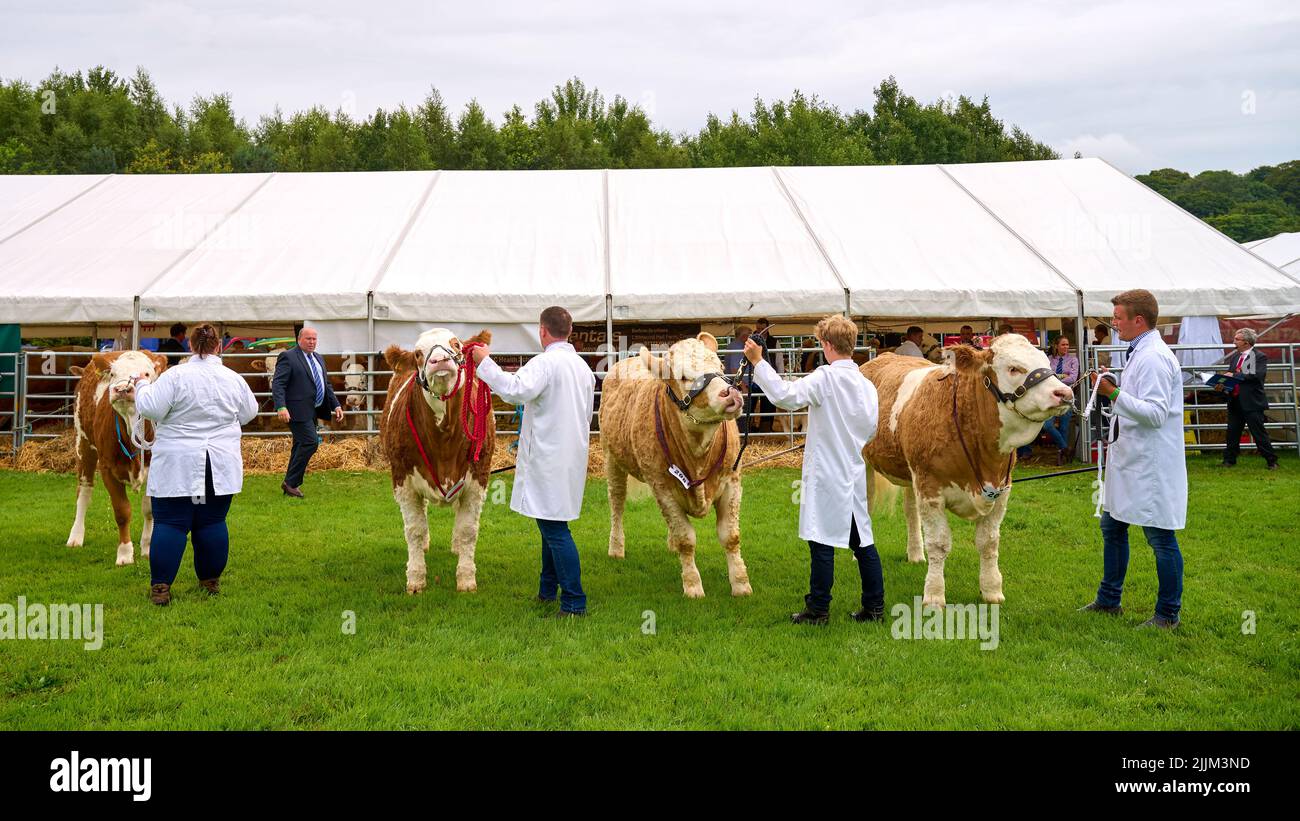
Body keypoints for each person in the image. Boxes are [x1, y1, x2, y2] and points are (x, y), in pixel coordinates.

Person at [745, 314, 883, 626]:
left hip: (826, 473)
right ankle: (874, 607)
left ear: (826, 344)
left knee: (821, 538)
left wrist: (758, 361)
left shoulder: (825, 377)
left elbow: (784, 395)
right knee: (862, 540)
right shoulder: (866, 386)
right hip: (853, 469)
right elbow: (871, 429)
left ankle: (818, 609)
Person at [472, 306, 595, 617]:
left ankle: (573, 601)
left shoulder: (546, 364)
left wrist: (483, 361)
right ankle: (546, 589)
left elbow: (514, 390)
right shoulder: (582, 368)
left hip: (549, 457)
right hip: (569, 456)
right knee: (551, 520)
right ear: (569, 331)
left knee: (554, 528)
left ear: (542, 330)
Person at [129, 323, 259, 605]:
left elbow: (151, 408)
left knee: (171, 524)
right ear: (218, 346)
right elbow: (250, 412)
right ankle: (210, 582)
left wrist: (140, 384)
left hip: (178, 461)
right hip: (219, 462)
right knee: (212, 522)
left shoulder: (175, 376)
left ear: (190, 346)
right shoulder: (232, 378)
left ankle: (161, 588)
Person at [1080, 289, 1186, 629]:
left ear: (1137, 320)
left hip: (1149, 465)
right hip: (1130, 461)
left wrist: (1112, 392)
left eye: (1118, 317)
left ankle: (1168, 614)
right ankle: (1109, 600)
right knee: (1112, 526)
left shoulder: (1154, 357)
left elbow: (1155, 414)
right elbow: (1138, 399)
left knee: (1160, 538)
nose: (1113, 323)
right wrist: (1116, 384)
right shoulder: (1141, 352)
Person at [272, 326, 343, 498]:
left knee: (300, 444)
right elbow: (278, 383)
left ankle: (289, 482)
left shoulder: (318, 358)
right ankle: (291, 483)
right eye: (308, 339)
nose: (312, 342)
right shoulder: (288, 357)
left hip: (312, 410)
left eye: (314, 339)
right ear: (299, 339)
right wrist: (281, 406)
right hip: (295, 410)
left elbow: (326, 385)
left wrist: (336, 405)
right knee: (311, 442)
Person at [1217, 328, 1278, 470]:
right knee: (1232, 432)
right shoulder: (1235, 358)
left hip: (1252, 402)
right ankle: (1229, 460)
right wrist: (1222, 383)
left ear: (1246, 342)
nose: (1234, 342)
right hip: (1235, 400)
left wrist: (1234, 376)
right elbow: (1232, 377)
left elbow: (1256, 375)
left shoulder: (1259, 356)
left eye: (1237, 339)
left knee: (1258, 433)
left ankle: (1271, 461)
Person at [1042, 335, 1079, 464]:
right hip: (1051, 396)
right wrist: (1064, 376)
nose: (1066, 347)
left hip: (1067, 397)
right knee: (1047, 426)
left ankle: (1062, 459)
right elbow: (1046, 377)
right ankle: (1065, 448)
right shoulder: (1049, 360)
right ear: (1056, 346)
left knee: (1064, 427)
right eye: (1063, 344)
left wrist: (1056, 379)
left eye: (1067, 344)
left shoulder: (1073, 360)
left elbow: (1073, 378)